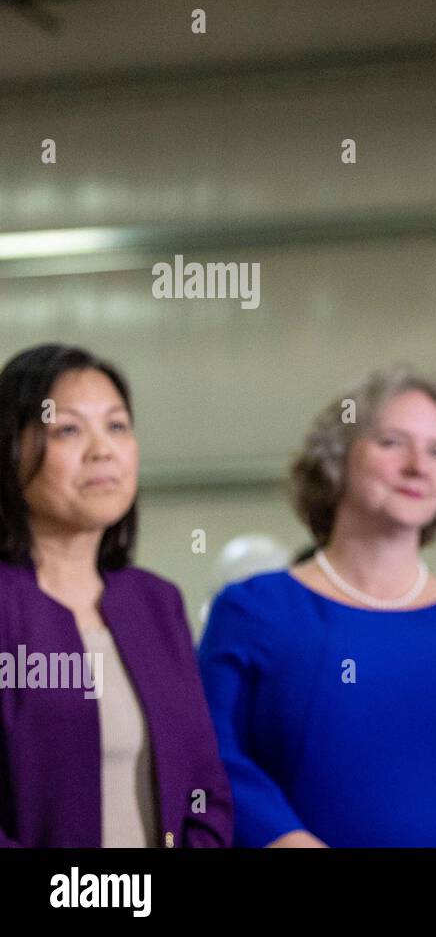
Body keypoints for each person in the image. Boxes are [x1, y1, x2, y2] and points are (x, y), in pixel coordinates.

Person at [198, 366, 436, 847]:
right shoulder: (255, 611)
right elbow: (213, 756)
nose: (419, 465)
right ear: (337, 457)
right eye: (393, 442)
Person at [0, 344, 232, 847]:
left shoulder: (156, 603)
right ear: (10, 449)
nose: (102, 449)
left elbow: (204, 787)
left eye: (117, 426)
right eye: (68, 429)